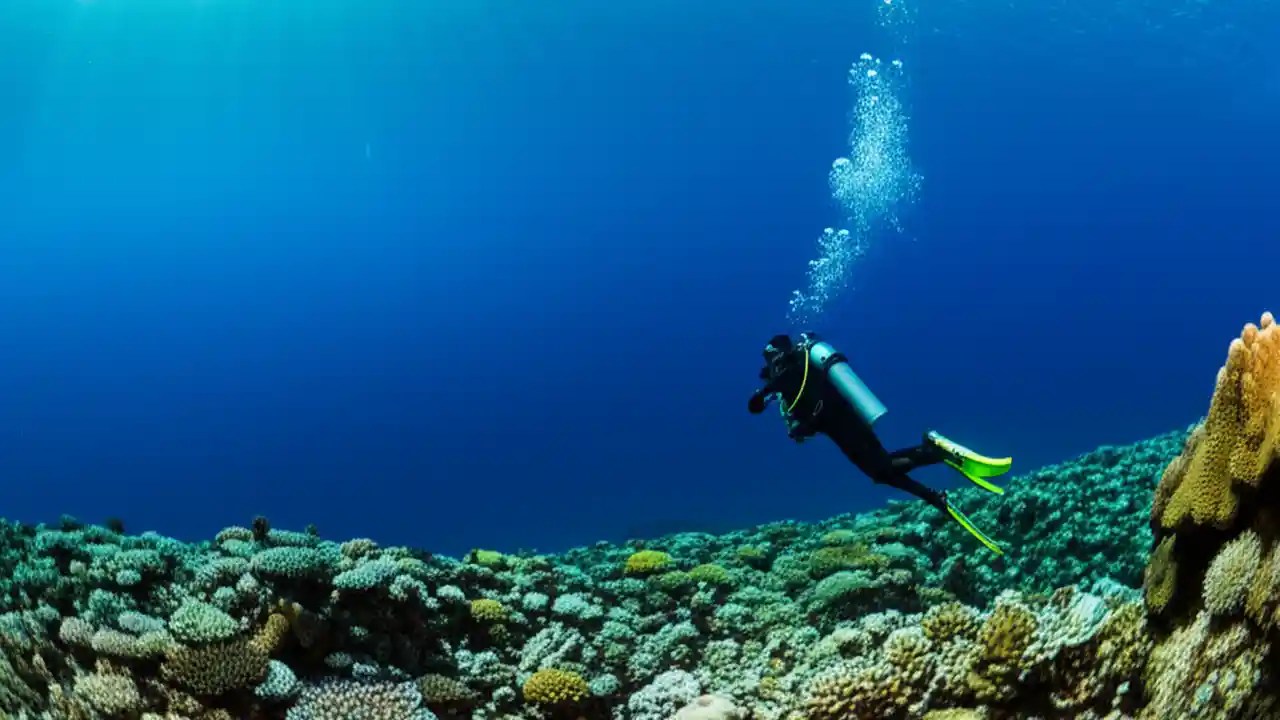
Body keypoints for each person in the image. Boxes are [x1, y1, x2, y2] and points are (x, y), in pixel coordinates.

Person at [747, 332, 1011, 555]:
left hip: (845, 422)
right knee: (881, 472)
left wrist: (763, 392)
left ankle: (935, 451)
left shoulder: (796, 365)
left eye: (773, 359)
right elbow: (805, 418)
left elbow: (789, 380)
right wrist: (797, 427)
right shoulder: (789, 386)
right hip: (841, 429)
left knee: (882, 468)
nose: (773, 365)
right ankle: (935, 494)